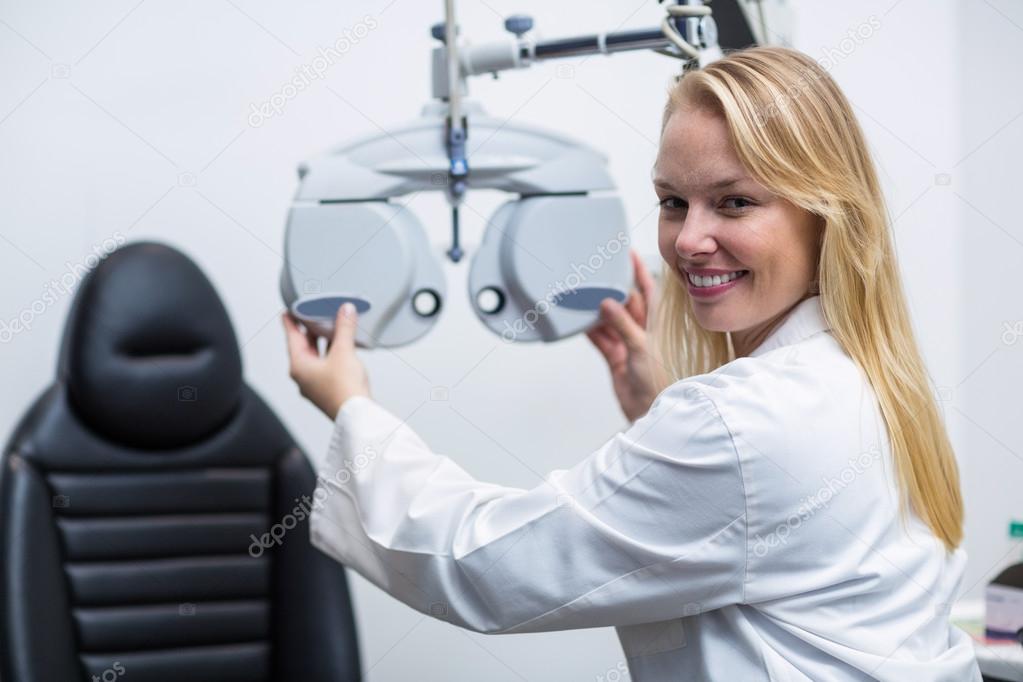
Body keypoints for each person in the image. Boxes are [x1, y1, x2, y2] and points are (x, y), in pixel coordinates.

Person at [283, 46, 981, 680]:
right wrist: (658, 407)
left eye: (734, 202)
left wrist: (351, 408)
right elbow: (762, 528)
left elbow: (479, 564)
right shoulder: (870, 380)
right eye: (673, 202)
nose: (690, 240)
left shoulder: (740, 424)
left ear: (825, 214)